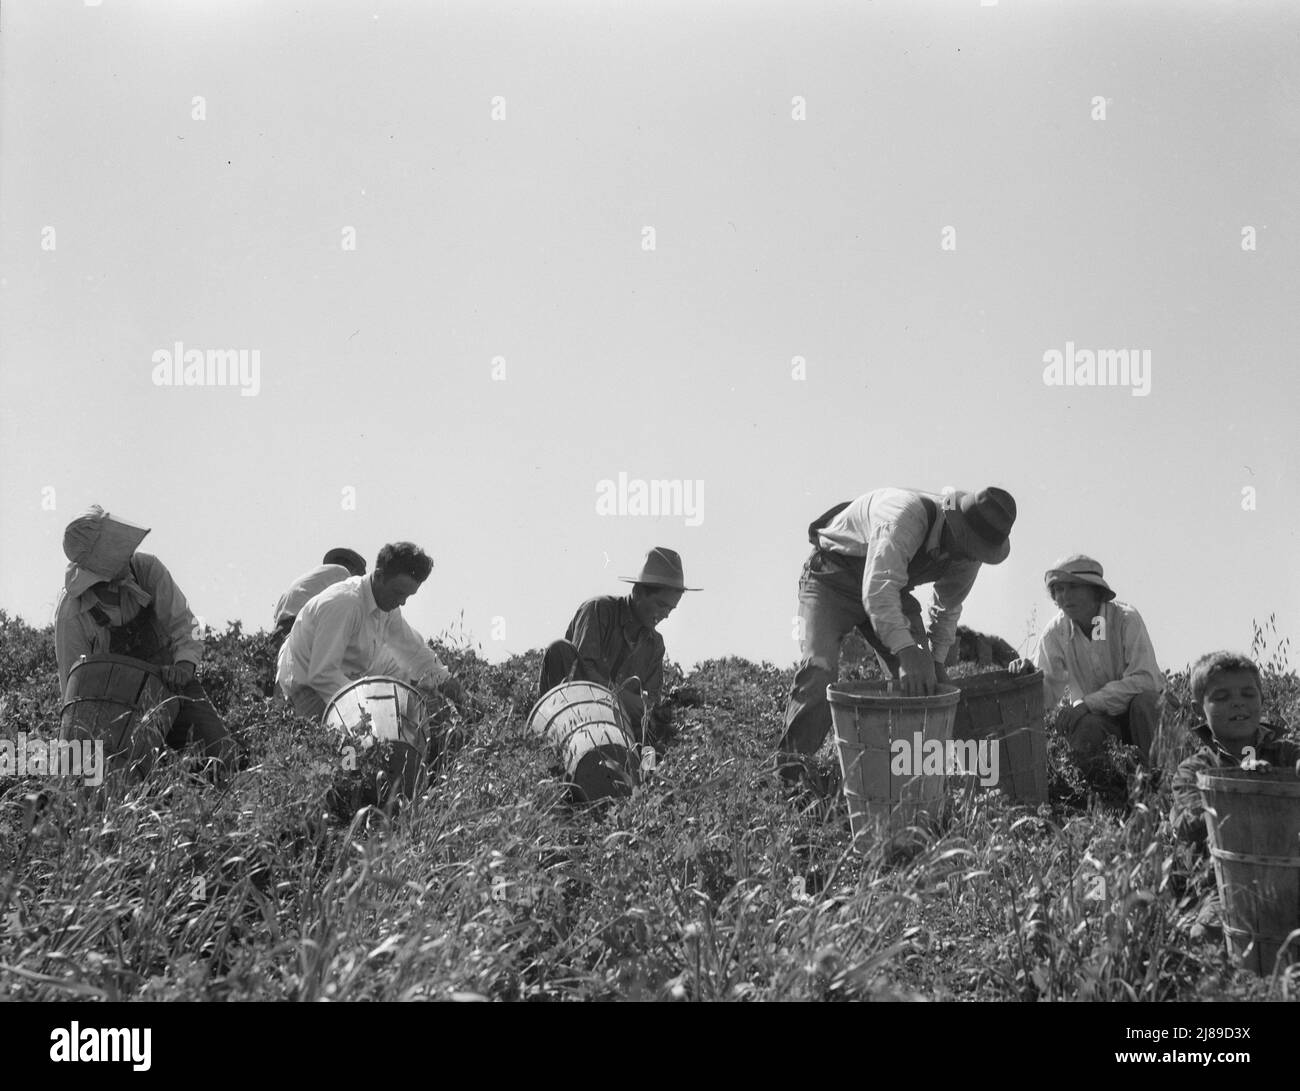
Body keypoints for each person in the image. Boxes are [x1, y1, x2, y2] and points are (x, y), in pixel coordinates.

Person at [780, 486, 1016, 779]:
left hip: (892, 591)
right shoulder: (906, 514)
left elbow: (947, 608)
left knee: (927, 687)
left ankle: (912, 783)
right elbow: (878, 590)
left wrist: (935, 662)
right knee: (820, 670)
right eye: (966, 541)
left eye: (976, 548)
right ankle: (788, 776)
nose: (968, 553)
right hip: (831, 578)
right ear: (956, 524)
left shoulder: (970, 554)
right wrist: (907, 652)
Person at [53, 505, 239, 777]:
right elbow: (75, 689)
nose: (126, 553)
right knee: (120, 780)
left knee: (223, 757)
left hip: (174, 687)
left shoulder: (146, 569)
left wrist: (185, 665)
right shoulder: (72, 612)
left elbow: (186, 624)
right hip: (116, 708)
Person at [1168, 652, 1300, 941]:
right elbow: (1190, 825)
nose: (1238, 702)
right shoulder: (1195, 770)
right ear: (1198, 708)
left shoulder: (1287, 754)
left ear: (1261, 701)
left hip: (1290, 875)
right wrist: (1245, 787)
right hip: (1224, 884)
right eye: (1222, 697)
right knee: (1206, 934)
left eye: (1248, 693)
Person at [275, 541, 466, 720]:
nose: (402, 601)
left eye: (408, 595)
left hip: (341, 686)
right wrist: (368, 711)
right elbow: (322, 674)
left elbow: (413, 651)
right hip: (307, 692)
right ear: (380, 575)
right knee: (361, 743)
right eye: (399, 593)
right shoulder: (345, 604)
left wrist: (446, 682)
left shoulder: (387, 608)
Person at [1009, 554, 1163, 766]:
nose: (1064, 596)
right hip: (1103, 724)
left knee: (1146, 703)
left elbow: (1145, 681)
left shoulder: (1125, 619)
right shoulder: (1055, 633)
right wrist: (1028, 679)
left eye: (1073, 587)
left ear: (1095, 591)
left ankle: (1165, 783)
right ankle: (1099, 793)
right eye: (1059, 589)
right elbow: (1047, 695)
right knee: (1086, 725)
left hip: (1146, 722)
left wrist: (1088, 703)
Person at [538, 547, 700, 745]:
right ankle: (551, 743)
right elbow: (580, 677)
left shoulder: (655, 645)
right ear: (638, 593)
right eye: (661, 605)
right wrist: (621, 697)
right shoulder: (598, 610)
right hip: (572, 719)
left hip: (618, 733)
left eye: (670, 609)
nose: (666, 614)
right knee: (559, 650)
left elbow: (648, 706)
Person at [271, 548, 367, 646]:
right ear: (353, 569)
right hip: (298, 630)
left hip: (279, 634)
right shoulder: (343, 574)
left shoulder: (310, 579)